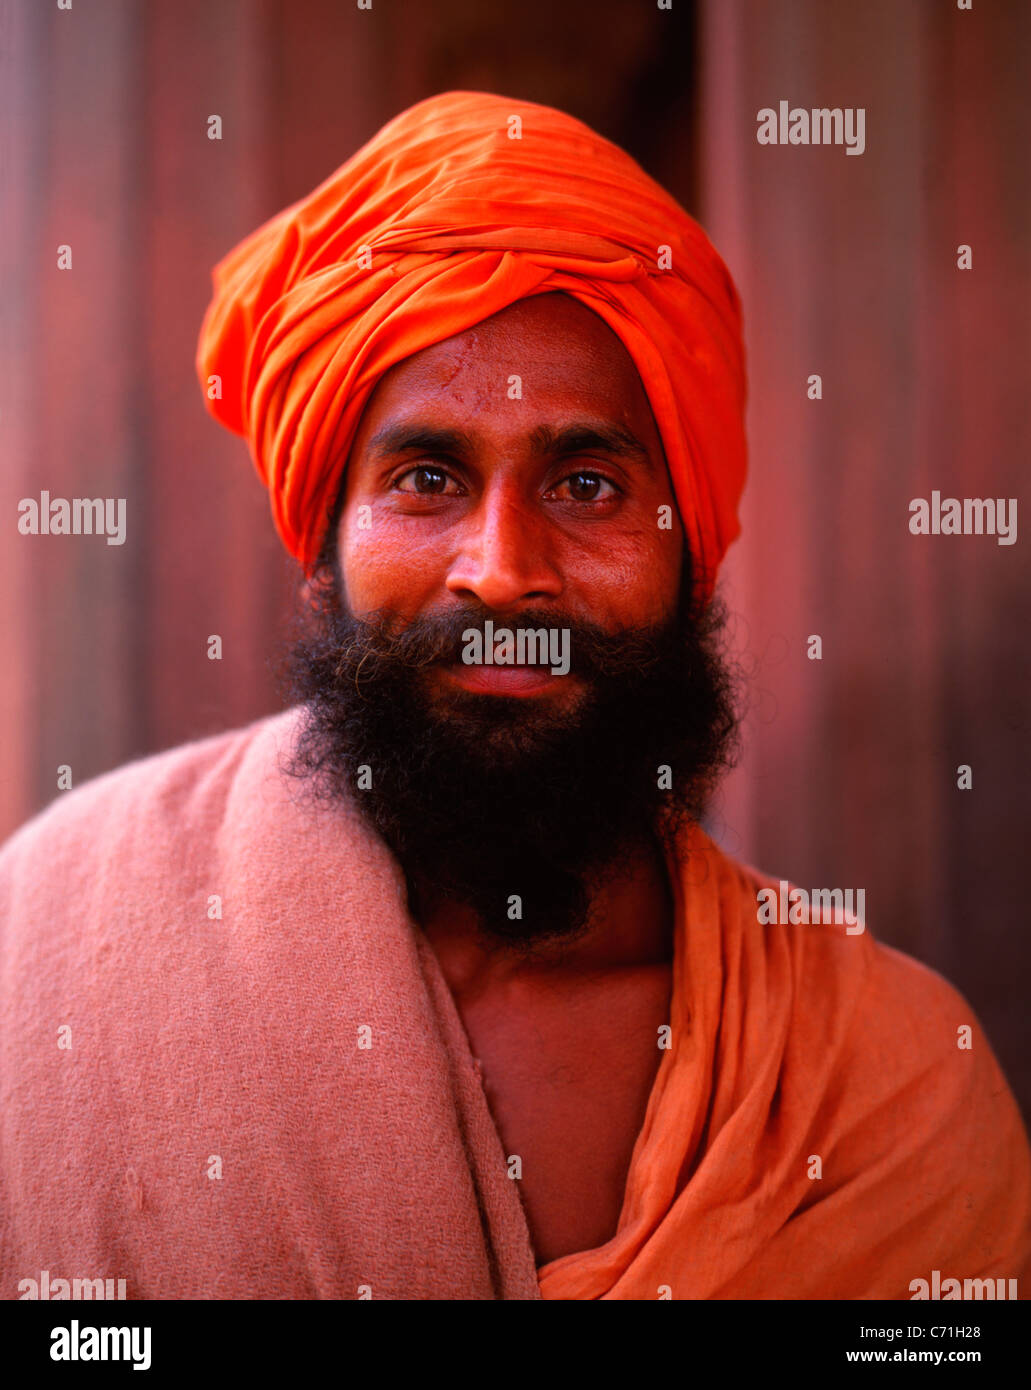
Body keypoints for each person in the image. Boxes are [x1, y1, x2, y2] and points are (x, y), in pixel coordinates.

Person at [1, 92, 1028, 1301]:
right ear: (323, 544)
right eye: (428, 476)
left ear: (688, 545)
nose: (502, 567)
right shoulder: (52, 929)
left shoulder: (884, 1084)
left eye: (586, 484)